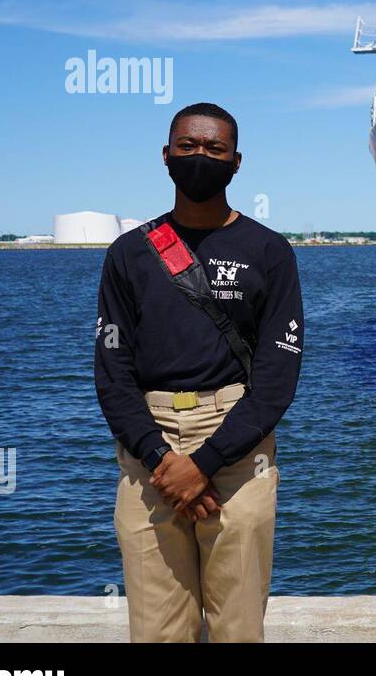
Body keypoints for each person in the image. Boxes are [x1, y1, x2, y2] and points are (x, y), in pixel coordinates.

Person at [95, 102, 303, 642]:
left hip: (236, 443)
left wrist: (206, 462)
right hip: (150, 451)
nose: (200, 157)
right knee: (158, 630)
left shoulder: (269, 252)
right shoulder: (129, 254)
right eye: (188, 146)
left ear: (237, 162)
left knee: (237, 627)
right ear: (166, 156)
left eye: (214, 149)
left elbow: (278, 378)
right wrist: (162, 459)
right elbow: (112, 372)